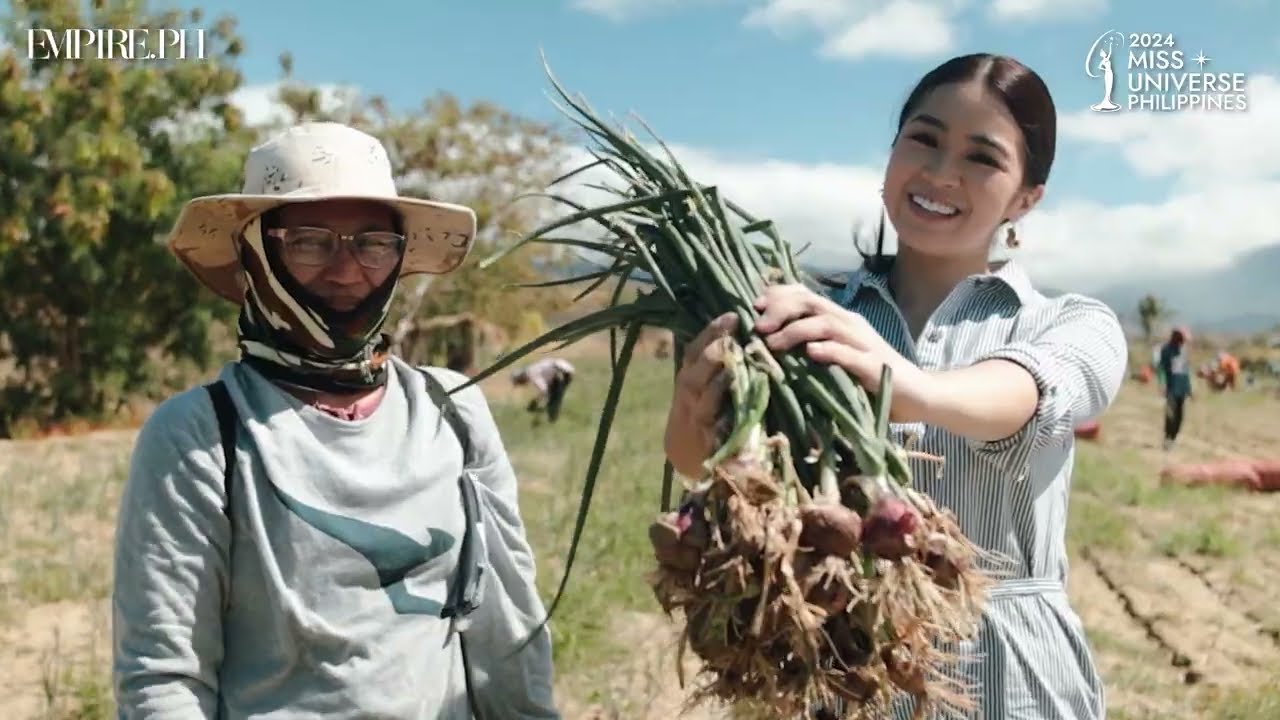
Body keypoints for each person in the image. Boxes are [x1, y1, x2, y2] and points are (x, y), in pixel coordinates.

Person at [659, 53, 1127, 719]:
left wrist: (903, 383)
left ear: (1027, 197)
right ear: (892, 152)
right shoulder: (803, 314)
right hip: (837, 662)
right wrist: (692, 408)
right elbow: (704, 469)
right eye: (925, 140)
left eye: (982, 158)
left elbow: (1022, 394)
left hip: (1008, 677)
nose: (940, 173)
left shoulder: (1071, 323)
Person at [112, 122, 559, 719]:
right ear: (257, 254)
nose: (348, 271)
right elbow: (164, 680)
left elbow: (507, 633)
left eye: (374, 243)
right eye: (309, 242)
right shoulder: (203, 435)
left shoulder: (454, 410)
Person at [1159, 327, 1193, 449]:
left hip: (1182, 388)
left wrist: (1189, 389)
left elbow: (1186, 371)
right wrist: (1162, 383)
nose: (1183, 343)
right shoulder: (1166, 350)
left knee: (1180, 416)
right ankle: (1167, 438)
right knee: (1170, 415)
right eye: (1181, 339)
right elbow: (1161, 369)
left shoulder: (1184, 352)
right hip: (1171, 387)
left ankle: (1173, 438)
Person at [512, 357, 575, 423]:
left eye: (519, 382)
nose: (521, 384)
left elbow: (544, 391)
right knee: (553, 399)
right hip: (562, 368)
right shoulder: (531, 369)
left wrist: (534, 402)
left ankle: (553, 420)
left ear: (521, 378)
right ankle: (552, 418)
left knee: (554, 401)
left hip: (562, 372)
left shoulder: (532, 374)